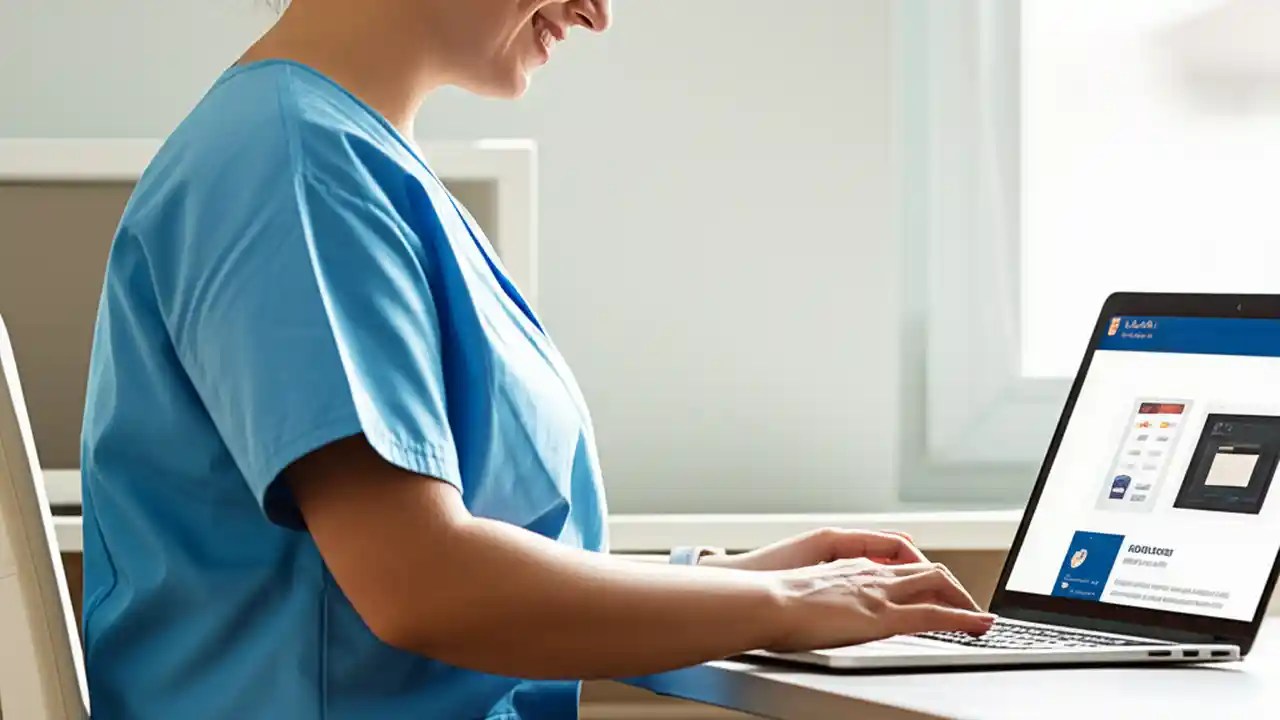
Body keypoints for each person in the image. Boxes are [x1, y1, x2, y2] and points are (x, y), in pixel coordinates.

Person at [79, 1, 995, 718]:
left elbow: (454, 558)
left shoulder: (339, 161)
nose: (597, 11)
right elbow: (420, 585)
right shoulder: (290, 168)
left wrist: (731, 580)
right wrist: (787, 601)